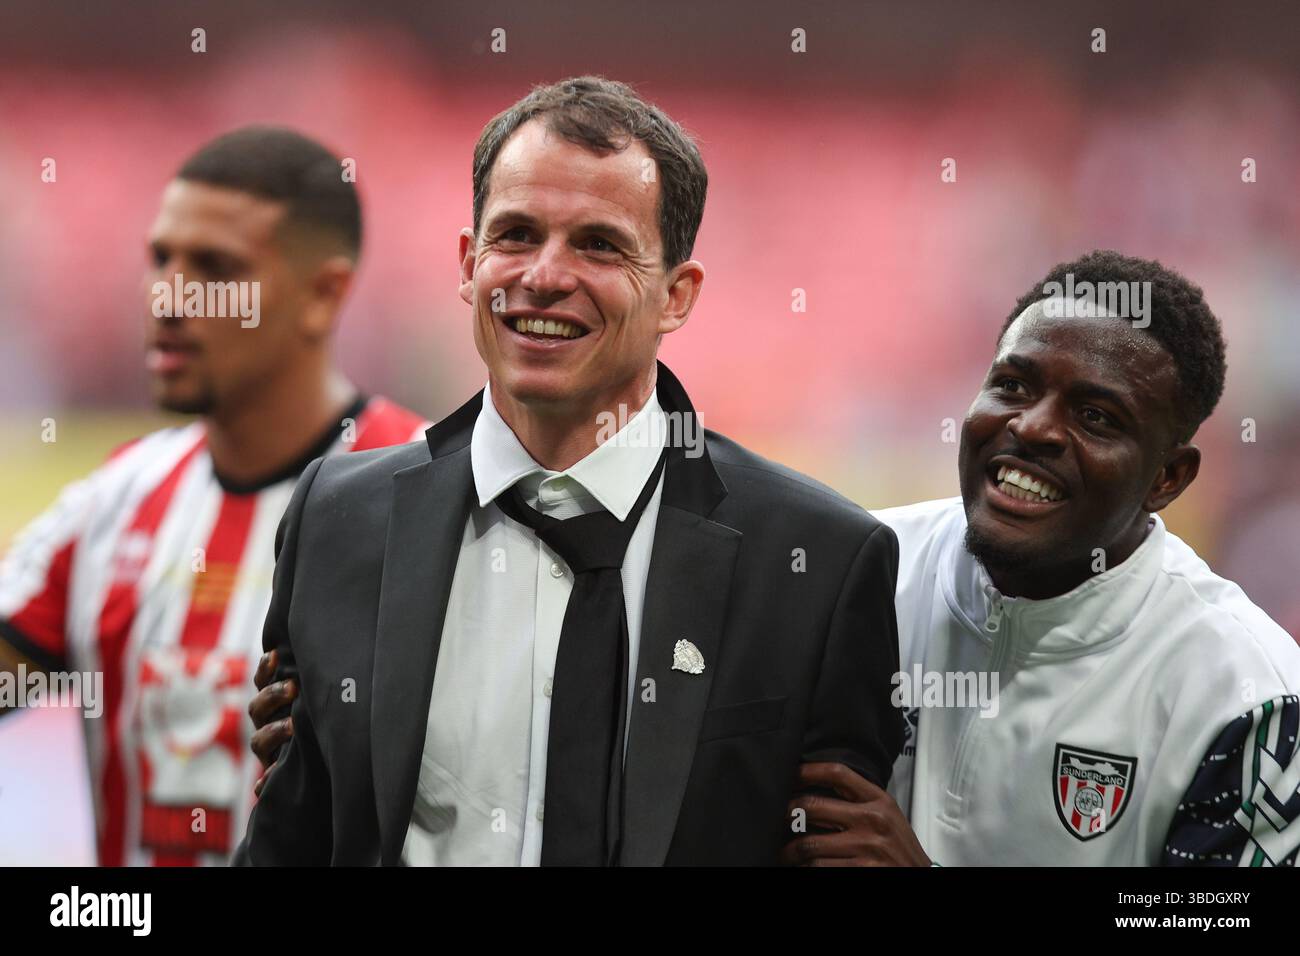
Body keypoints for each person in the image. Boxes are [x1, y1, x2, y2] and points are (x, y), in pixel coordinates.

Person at [234, 76, 903, 866]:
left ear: (676, 295)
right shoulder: (336, 521)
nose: (545, 275)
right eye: (515, 234)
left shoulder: (818, 562)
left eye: (598, 244)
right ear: (466, 261)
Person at [781, 251, 1300, 866]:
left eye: (1095, 417)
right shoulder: (851, 576)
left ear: (1168, 476)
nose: (1031, 428)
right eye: (1012, 385)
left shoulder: (1249, 698)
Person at [0, 127, 428, 865]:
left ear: (322, 295)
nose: (168, 296)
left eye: (215, 268)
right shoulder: (114, 499)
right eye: (160, 259)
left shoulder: (433, 498)